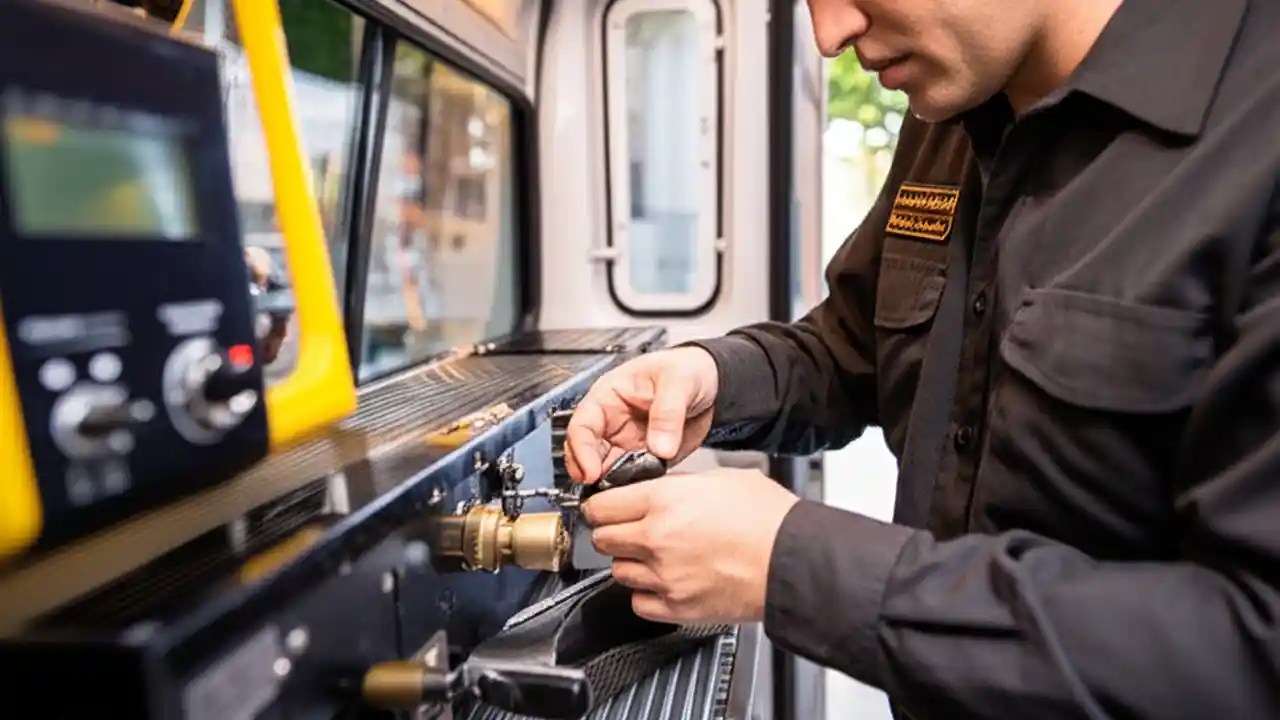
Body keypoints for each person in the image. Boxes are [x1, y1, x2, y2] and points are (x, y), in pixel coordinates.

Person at [563, 0, 1280, 717]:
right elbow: (854, 347)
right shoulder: (950, 117)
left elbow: (1251, 646)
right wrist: (716, 378)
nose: (829, 34)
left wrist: (795, 564)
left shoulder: (1254, 126)